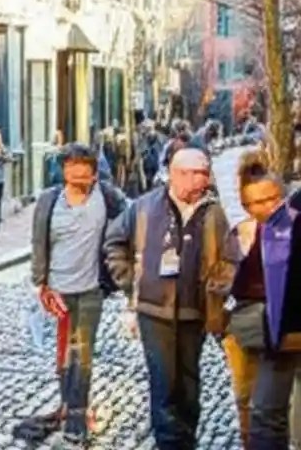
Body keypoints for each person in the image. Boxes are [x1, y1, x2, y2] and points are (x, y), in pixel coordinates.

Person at [104, 148, 237, 450]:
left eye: (203, 173)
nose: (199, 180)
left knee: (189, 384)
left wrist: (220, 287)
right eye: (192, 173)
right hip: (155, 312)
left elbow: (230, 256)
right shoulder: (144, 207)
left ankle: (186, 440)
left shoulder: (213, 212)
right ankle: (168, 443)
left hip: (195, 312)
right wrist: (130, 282)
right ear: (175, 174)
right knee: (164, 383)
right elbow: (114, 241)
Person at [28, 143, 130, 445]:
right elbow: (38, 243)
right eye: (72, 177)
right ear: (63, 173)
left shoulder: (108, 197)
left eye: (84, 177)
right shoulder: (49, 201)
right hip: (58, 289)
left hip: (90, 289)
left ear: (94, 174)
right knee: (64, 353)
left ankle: (76, 415)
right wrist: (41, 284)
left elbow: (132, 221)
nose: (78, 183)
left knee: (82, 351)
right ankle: (66, 404)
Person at [222, 151, 300, 448]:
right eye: (255, 202)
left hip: (285, 328)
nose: (265, 207)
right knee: (262, 410)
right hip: (260, 330)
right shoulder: (242, 231)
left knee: (270, 413)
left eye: (271, 199)